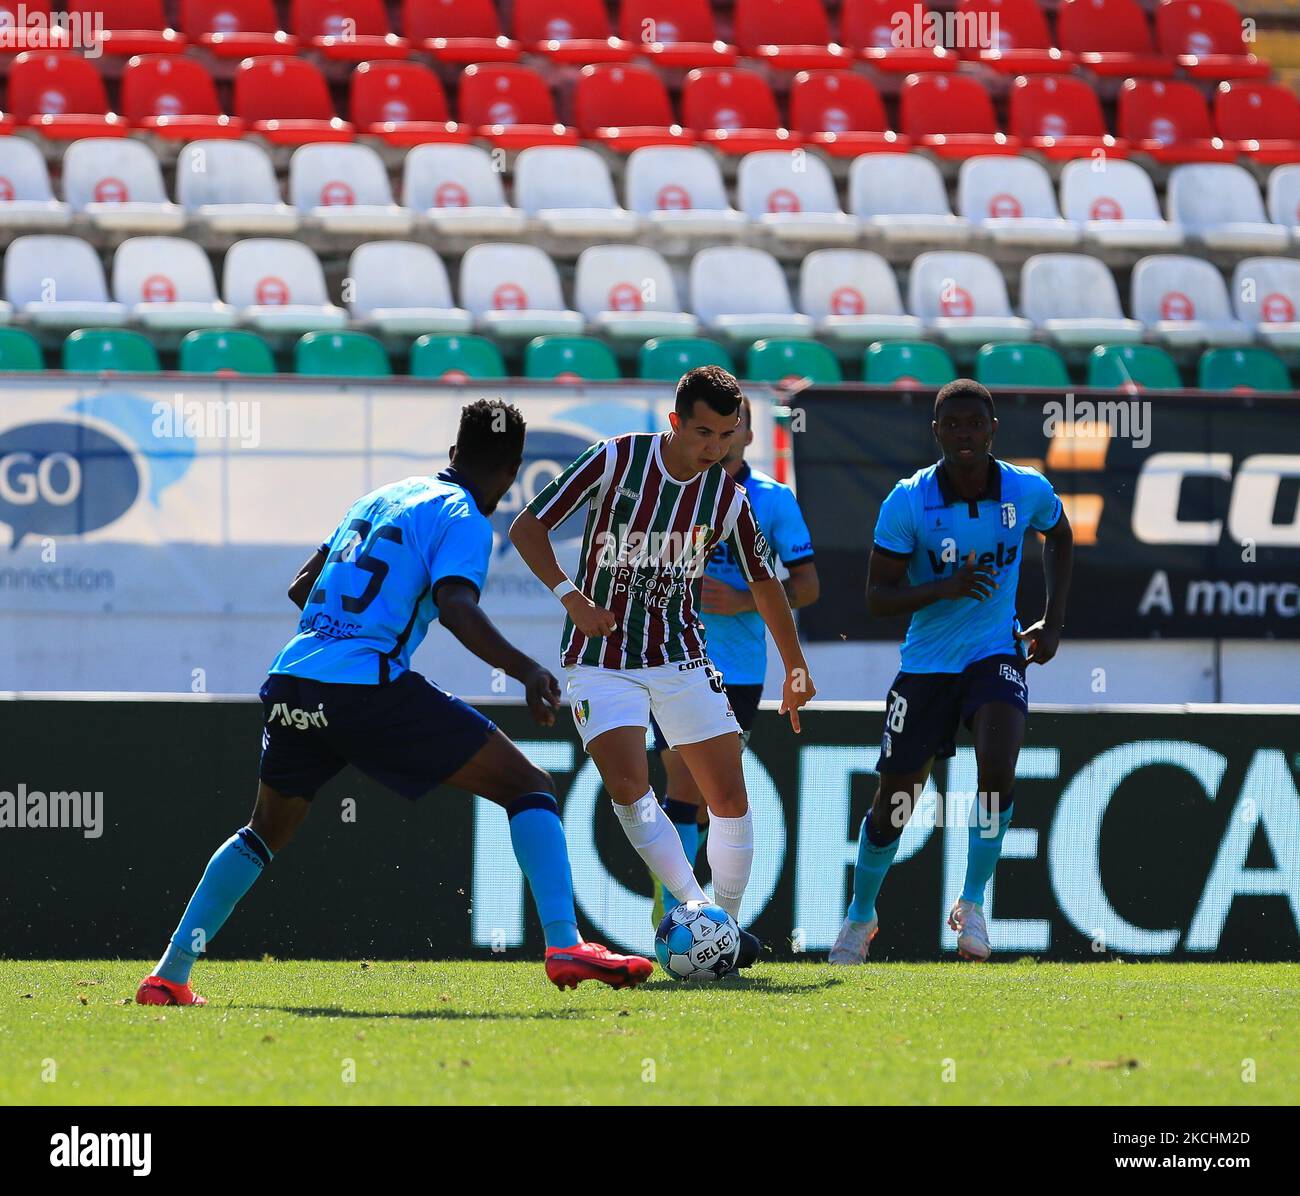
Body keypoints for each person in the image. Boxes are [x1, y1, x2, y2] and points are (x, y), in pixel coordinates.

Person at [136, 399, 652, 1006]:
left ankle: (171, 973)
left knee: (263, 831)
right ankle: (564, 944)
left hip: (294, 679)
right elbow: (457, 605)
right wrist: (527, 669)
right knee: (528, 785)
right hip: (365, 685)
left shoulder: (380, 497)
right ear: (512, 473)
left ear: (454, 452)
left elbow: (305, 586)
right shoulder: (462, 516)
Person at [509, 366, 816, 969]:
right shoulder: (615, 461)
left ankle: (717, 927)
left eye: (726, 436)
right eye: (703, 433)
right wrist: (573, 597)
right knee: (629, 787)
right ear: (673, 422)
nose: (714, 448)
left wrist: (795, 666)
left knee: (727, 796)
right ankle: (696, 908)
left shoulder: (728, 497)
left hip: (680, 656)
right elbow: (527, 528)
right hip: (601, 661)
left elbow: (766, 582)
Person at [830, 379, 1073, 964]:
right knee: (895, 802)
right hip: (927, 665)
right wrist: (944, 587)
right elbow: (875, 597)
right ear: (936, 432)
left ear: (993, 429)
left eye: (975, 423)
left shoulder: (1025, 488)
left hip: (995, 652)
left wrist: (1053, 620)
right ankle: (861, 917)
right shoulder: (908, 501)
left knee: (999, 757)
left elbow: (1059, 532)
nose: (964, 433)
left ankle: (971, 903)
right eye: (952, 424)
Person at [647, 395, 820, 921]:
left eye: (734, 427)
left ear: (746, 434)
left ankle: (703, 917)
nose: (722, 439)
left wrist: (745, 600)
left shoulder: (771, 499)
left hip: (739, 668)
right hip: (672, 656)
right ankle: (672, 913)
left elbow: (808, 586)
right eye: (709, 429)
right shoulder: (670, 491)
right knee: (680, 780)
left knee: (708, 796)